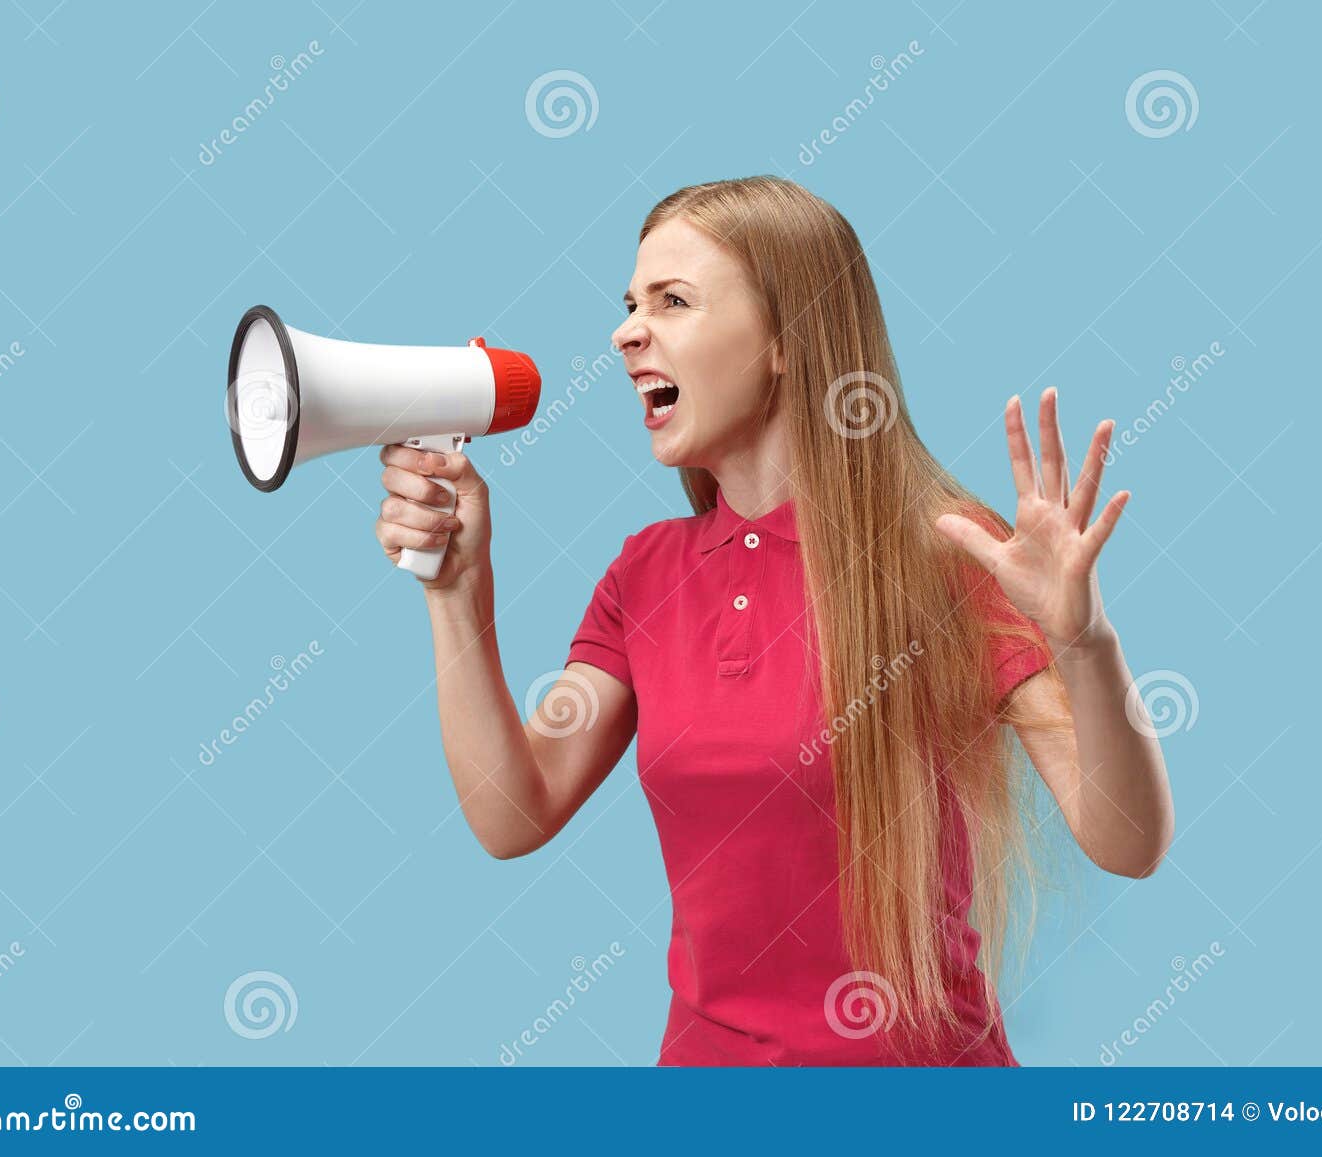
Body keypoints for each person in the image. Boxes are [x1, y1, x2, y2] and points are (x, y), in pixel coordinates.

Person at [373, 176, 1175, 1066]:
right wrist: (456, 595)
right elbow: (511, 813)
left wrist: (1085, 643)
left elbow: (1129, 840)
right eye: (630, 303)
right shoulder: (648, 572)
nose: (627, 331)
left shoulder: (951, 551)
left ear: (789, 339)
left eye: (673, 301)